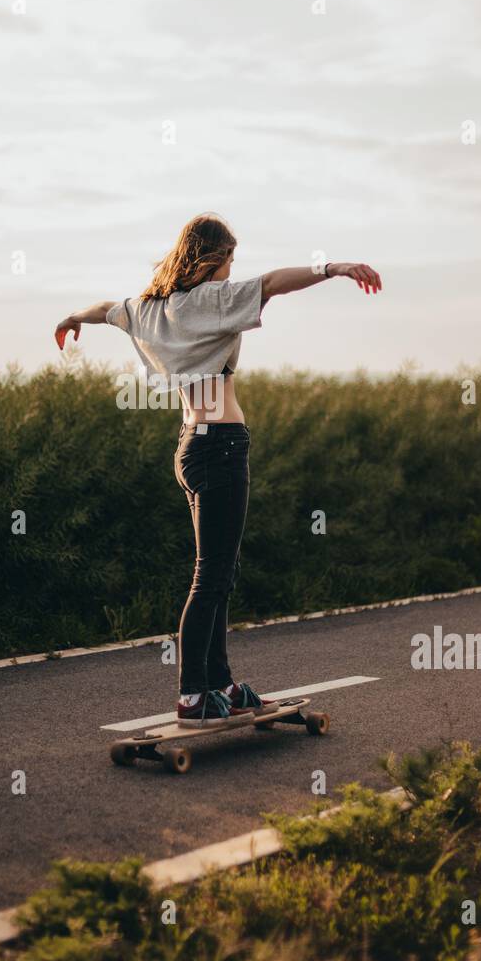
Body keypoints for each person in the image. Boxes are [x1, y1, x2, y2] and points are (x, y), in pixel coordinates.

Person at [54, 214, 382, 726]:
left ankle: (220, 683)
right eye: (229, 260)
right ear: (212, 261)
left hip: (190, 447)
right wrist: (335, 267)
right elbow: (274, 283)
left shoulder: (149, 309)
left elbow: (105, 309)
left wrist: (72, 317)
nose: (233, 271)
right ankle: (191, 694)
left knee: (219, 573)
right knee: (211, 576)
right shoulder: (214, 298)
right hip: (222, 447)